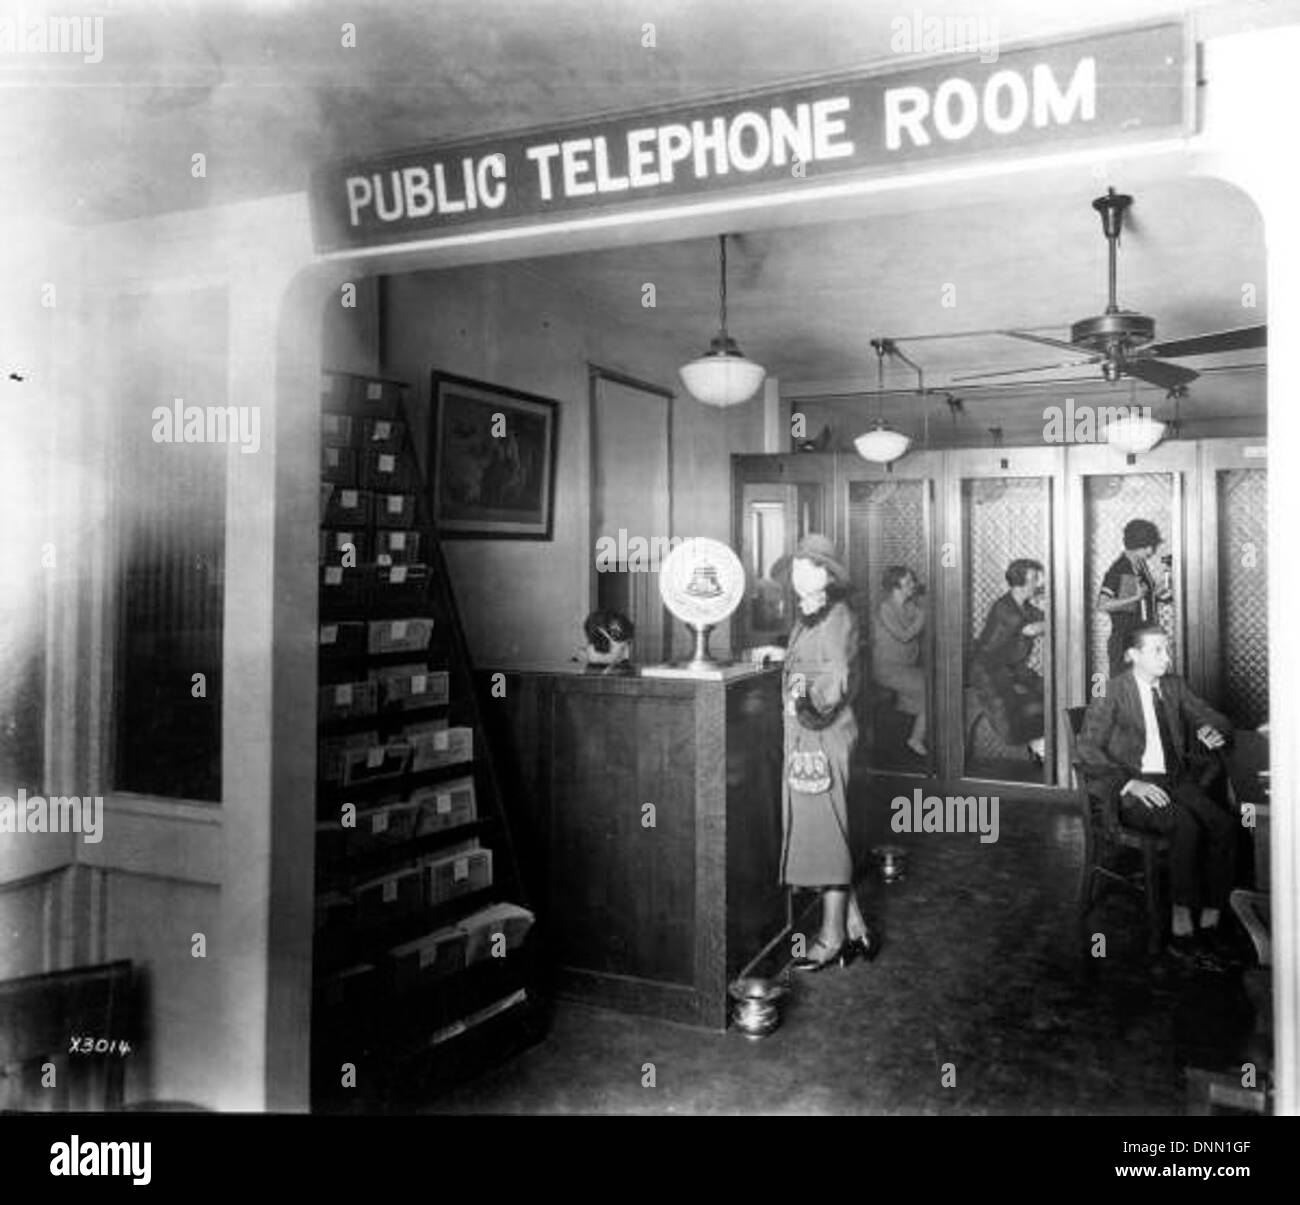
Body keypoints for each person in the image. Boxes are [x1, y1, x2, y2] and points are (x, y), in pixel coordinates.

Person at [1076, 624, 1235, 969]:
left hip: (1175, 780)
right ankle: (1181, 928)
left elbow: (1215, 717)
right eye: (1158, 650)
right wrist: (1129, 785)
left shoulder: (1174, 686)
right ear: (1133, 655)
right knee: (1186, 826)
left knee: (1224, 825)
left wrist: (1214, 730)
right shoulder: (1112, 691)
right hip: (1134, 786)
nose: (1167, 657)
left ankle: (1210, 920)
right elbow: (1086, 747)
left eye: (1168, 649)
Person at [778, 534, 880, 971]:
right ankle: (857, 928)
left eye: (810, 567)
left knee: (824, 833)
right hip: (808, 734)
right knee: (823, 827)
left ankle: (832, 937)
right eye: (797, 567)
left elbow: (837, 674)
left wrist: (804, 704)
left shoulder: (836, 614)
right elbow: (812, 662)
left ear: (827, 575)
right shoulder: (811, 615)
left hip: (820, 733)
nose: (801, 575)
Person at [969, 558, 1048, 764]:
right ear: (1020, 583)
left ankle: (1040, 747)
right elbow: (1031, 628)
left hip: (1012, 669)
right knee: (1015, 716)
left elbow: (1042, 618)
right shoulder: (1005, 609)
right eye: (1035, 579)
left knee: (1047, 691)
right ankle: (1040, 749)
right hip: (989, 672)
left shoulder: (1024, 606)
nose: (1039, 584)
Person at [1099, 518, 1172, 680]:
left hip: (1141, 640)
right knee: (1126, 695)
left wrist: (1157, 591)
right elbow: (1103, 605)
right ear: (1142, 545)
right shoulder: (1120, 569)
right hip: (1125, 643)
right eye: (1150, 547)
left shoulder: (1139, 565)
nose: (1152, 552)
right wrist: (1135, 597)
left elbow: (1139, 603)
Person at [872, 565, 928, 758]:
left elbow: (919, 619)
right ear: (896, 587)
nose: (913, 585)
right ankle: (915, 739)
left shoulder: (909, 606)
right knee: (930, 690)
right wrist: (923, 616)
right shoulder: (885, 607)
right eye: (908, 582)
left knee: (932, 689)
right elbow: (903, 635)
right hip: (888, 669)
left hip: (905, 668)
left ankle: (907, 742)